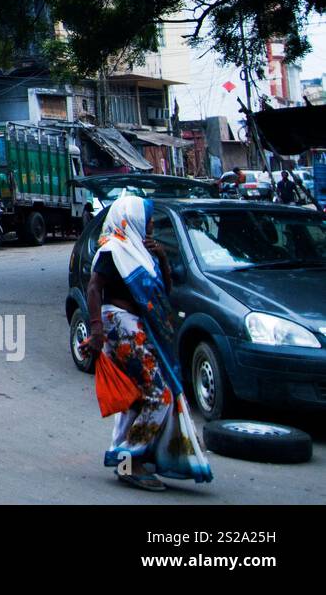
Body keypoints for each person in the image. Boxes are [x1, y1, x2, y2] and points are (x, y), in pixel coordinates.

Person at [85, 194, 213, 491]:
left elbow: (163, 294)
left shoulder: (141, 252)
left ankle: (129, 463)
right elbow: (94, 288)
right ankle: (129, 457)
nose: (152, 225)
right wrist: (96, 331)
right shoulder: (113, 250)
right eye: (148, 218)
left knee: (136, 399)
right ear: (133, 218)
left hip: (141, 327)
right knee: (160, 394)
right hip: (121, 326)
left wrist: (164, 260)